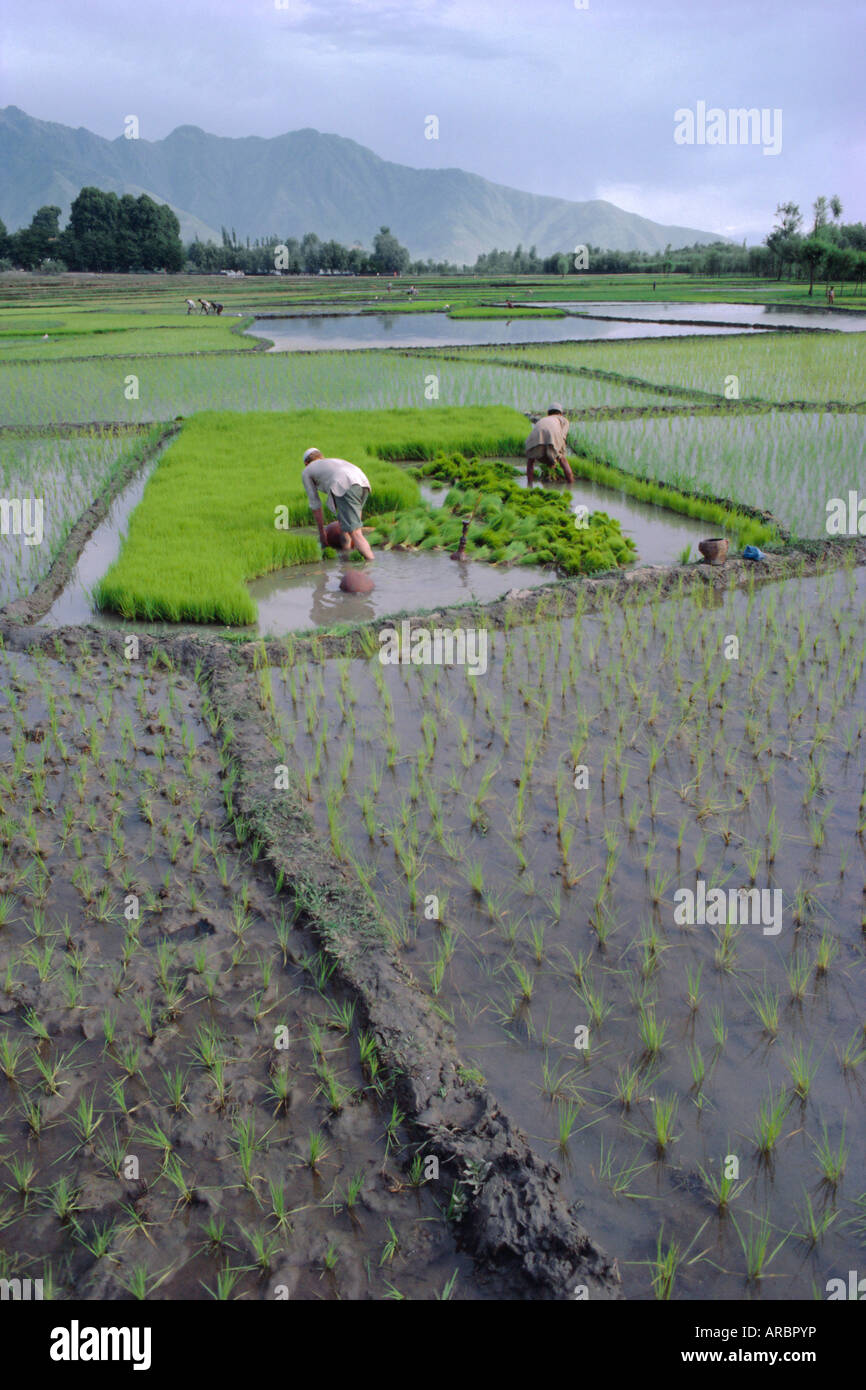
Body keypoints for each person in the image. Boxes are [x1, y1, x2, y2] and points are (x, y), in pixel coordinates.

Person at [302, 448, 374, 560]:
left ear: (306, 463)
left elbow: (315, 504)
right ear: (321, 456)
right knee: (346, 526)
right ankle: (347, 555)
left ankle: (371, 564)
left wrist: (322, 534)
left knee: (355, 532)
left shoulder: (307, 471)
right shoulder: (330, 462)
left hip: (345, 484)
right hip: (363, 482)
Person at [524, 403, 574, 485]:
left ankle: (529, 485)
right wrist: (560, 453)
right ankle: (571, 483)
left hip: (535, 439)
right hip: (553, 437)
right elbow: (563, 436)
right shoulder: (563, 420)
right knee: (562, 459)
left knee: (530, 461)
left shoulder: (543, 419)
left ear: (548, 413)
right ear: (560, 413)